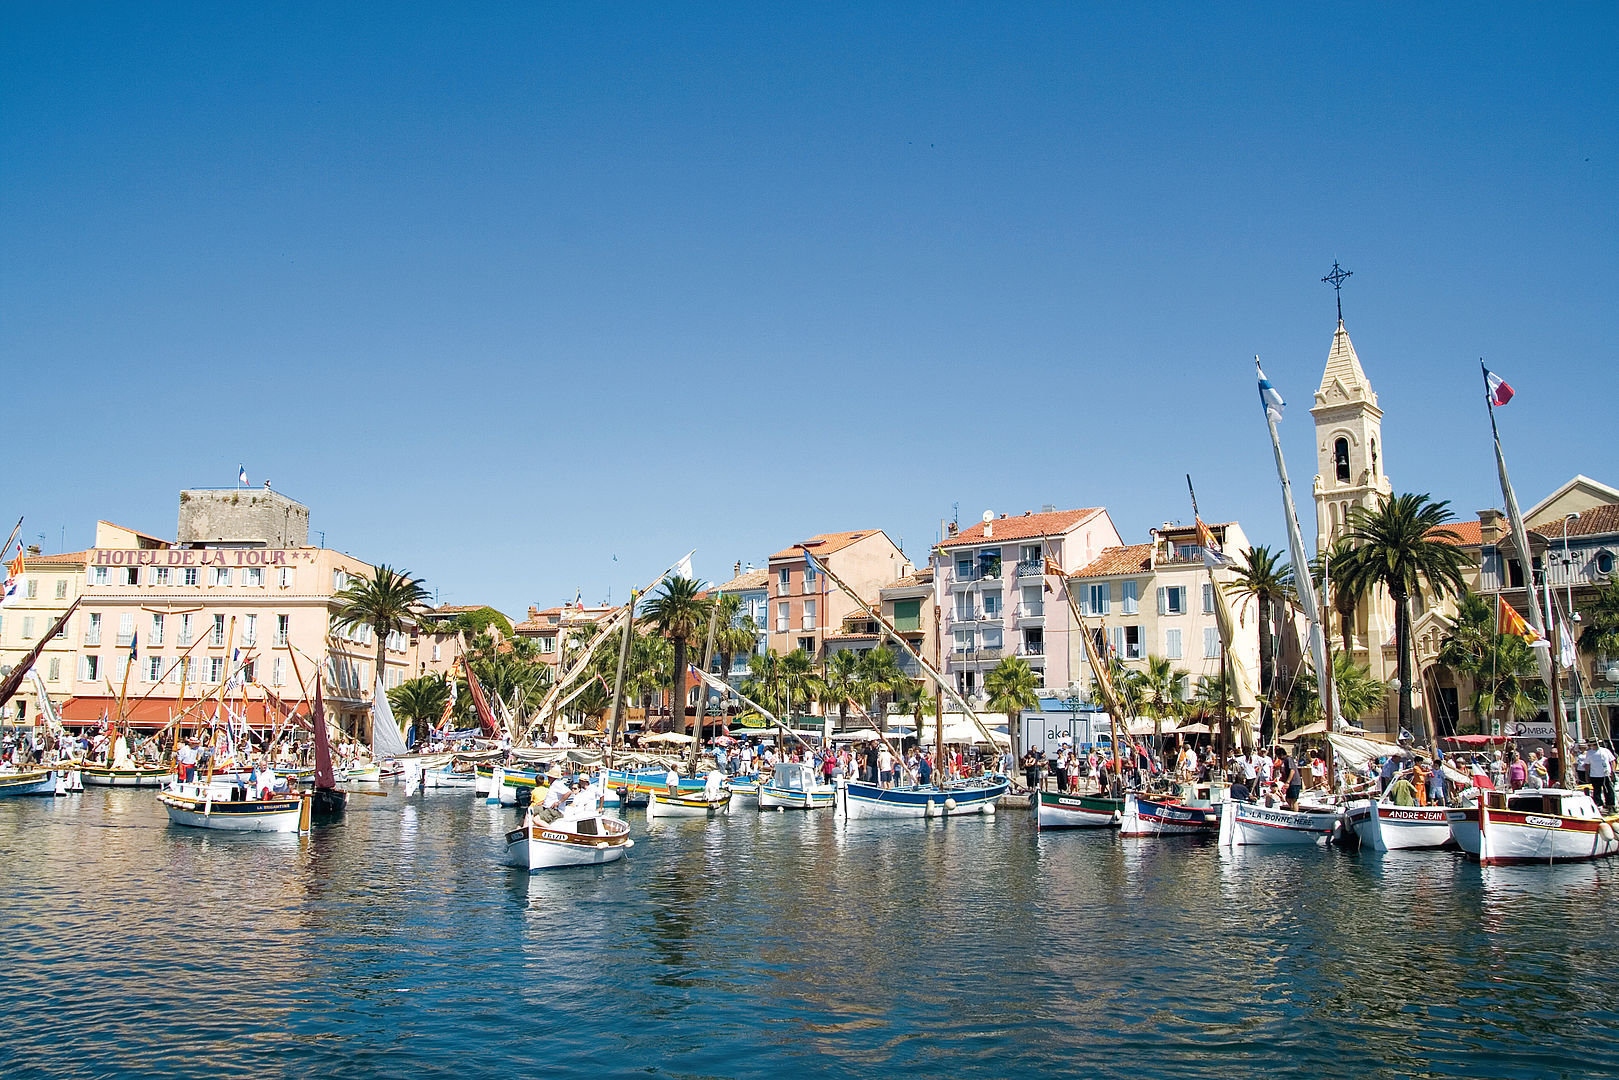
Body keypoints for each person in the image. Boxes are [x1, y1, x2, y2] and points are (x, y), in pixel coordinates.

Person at [1582, 740, 1617, 811]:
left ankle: (1610, 805)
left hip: (1607, 774)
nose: (1595, 745)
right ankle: (1599, 804)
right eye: (1594, 744)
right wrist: (1587, 774)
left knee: (1609, 790)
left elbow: (1612, 761)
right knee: (1597, 790)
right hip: (1595, 775)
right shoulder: (1589, 753)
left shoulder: (1605, 750)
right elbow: (1587, 764)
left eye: (1596, 744)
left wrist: (1613, 772)